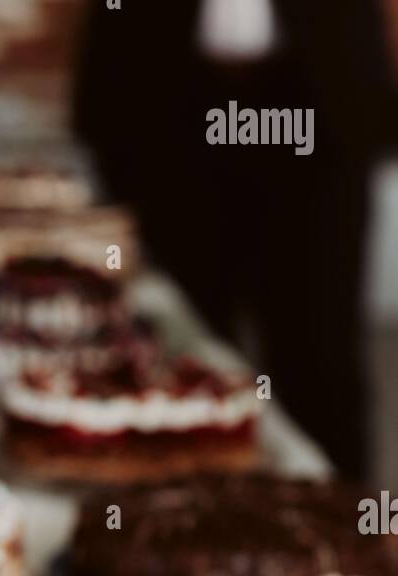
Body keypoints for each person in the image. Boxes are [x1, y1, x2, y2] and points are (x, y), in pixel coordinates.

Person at [73, 0, 396, 481]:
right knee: (176, 351)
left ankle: (345, 535)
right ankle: (171, 535)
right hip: (168, 103)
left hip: (317, 105)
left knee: (321, 360)